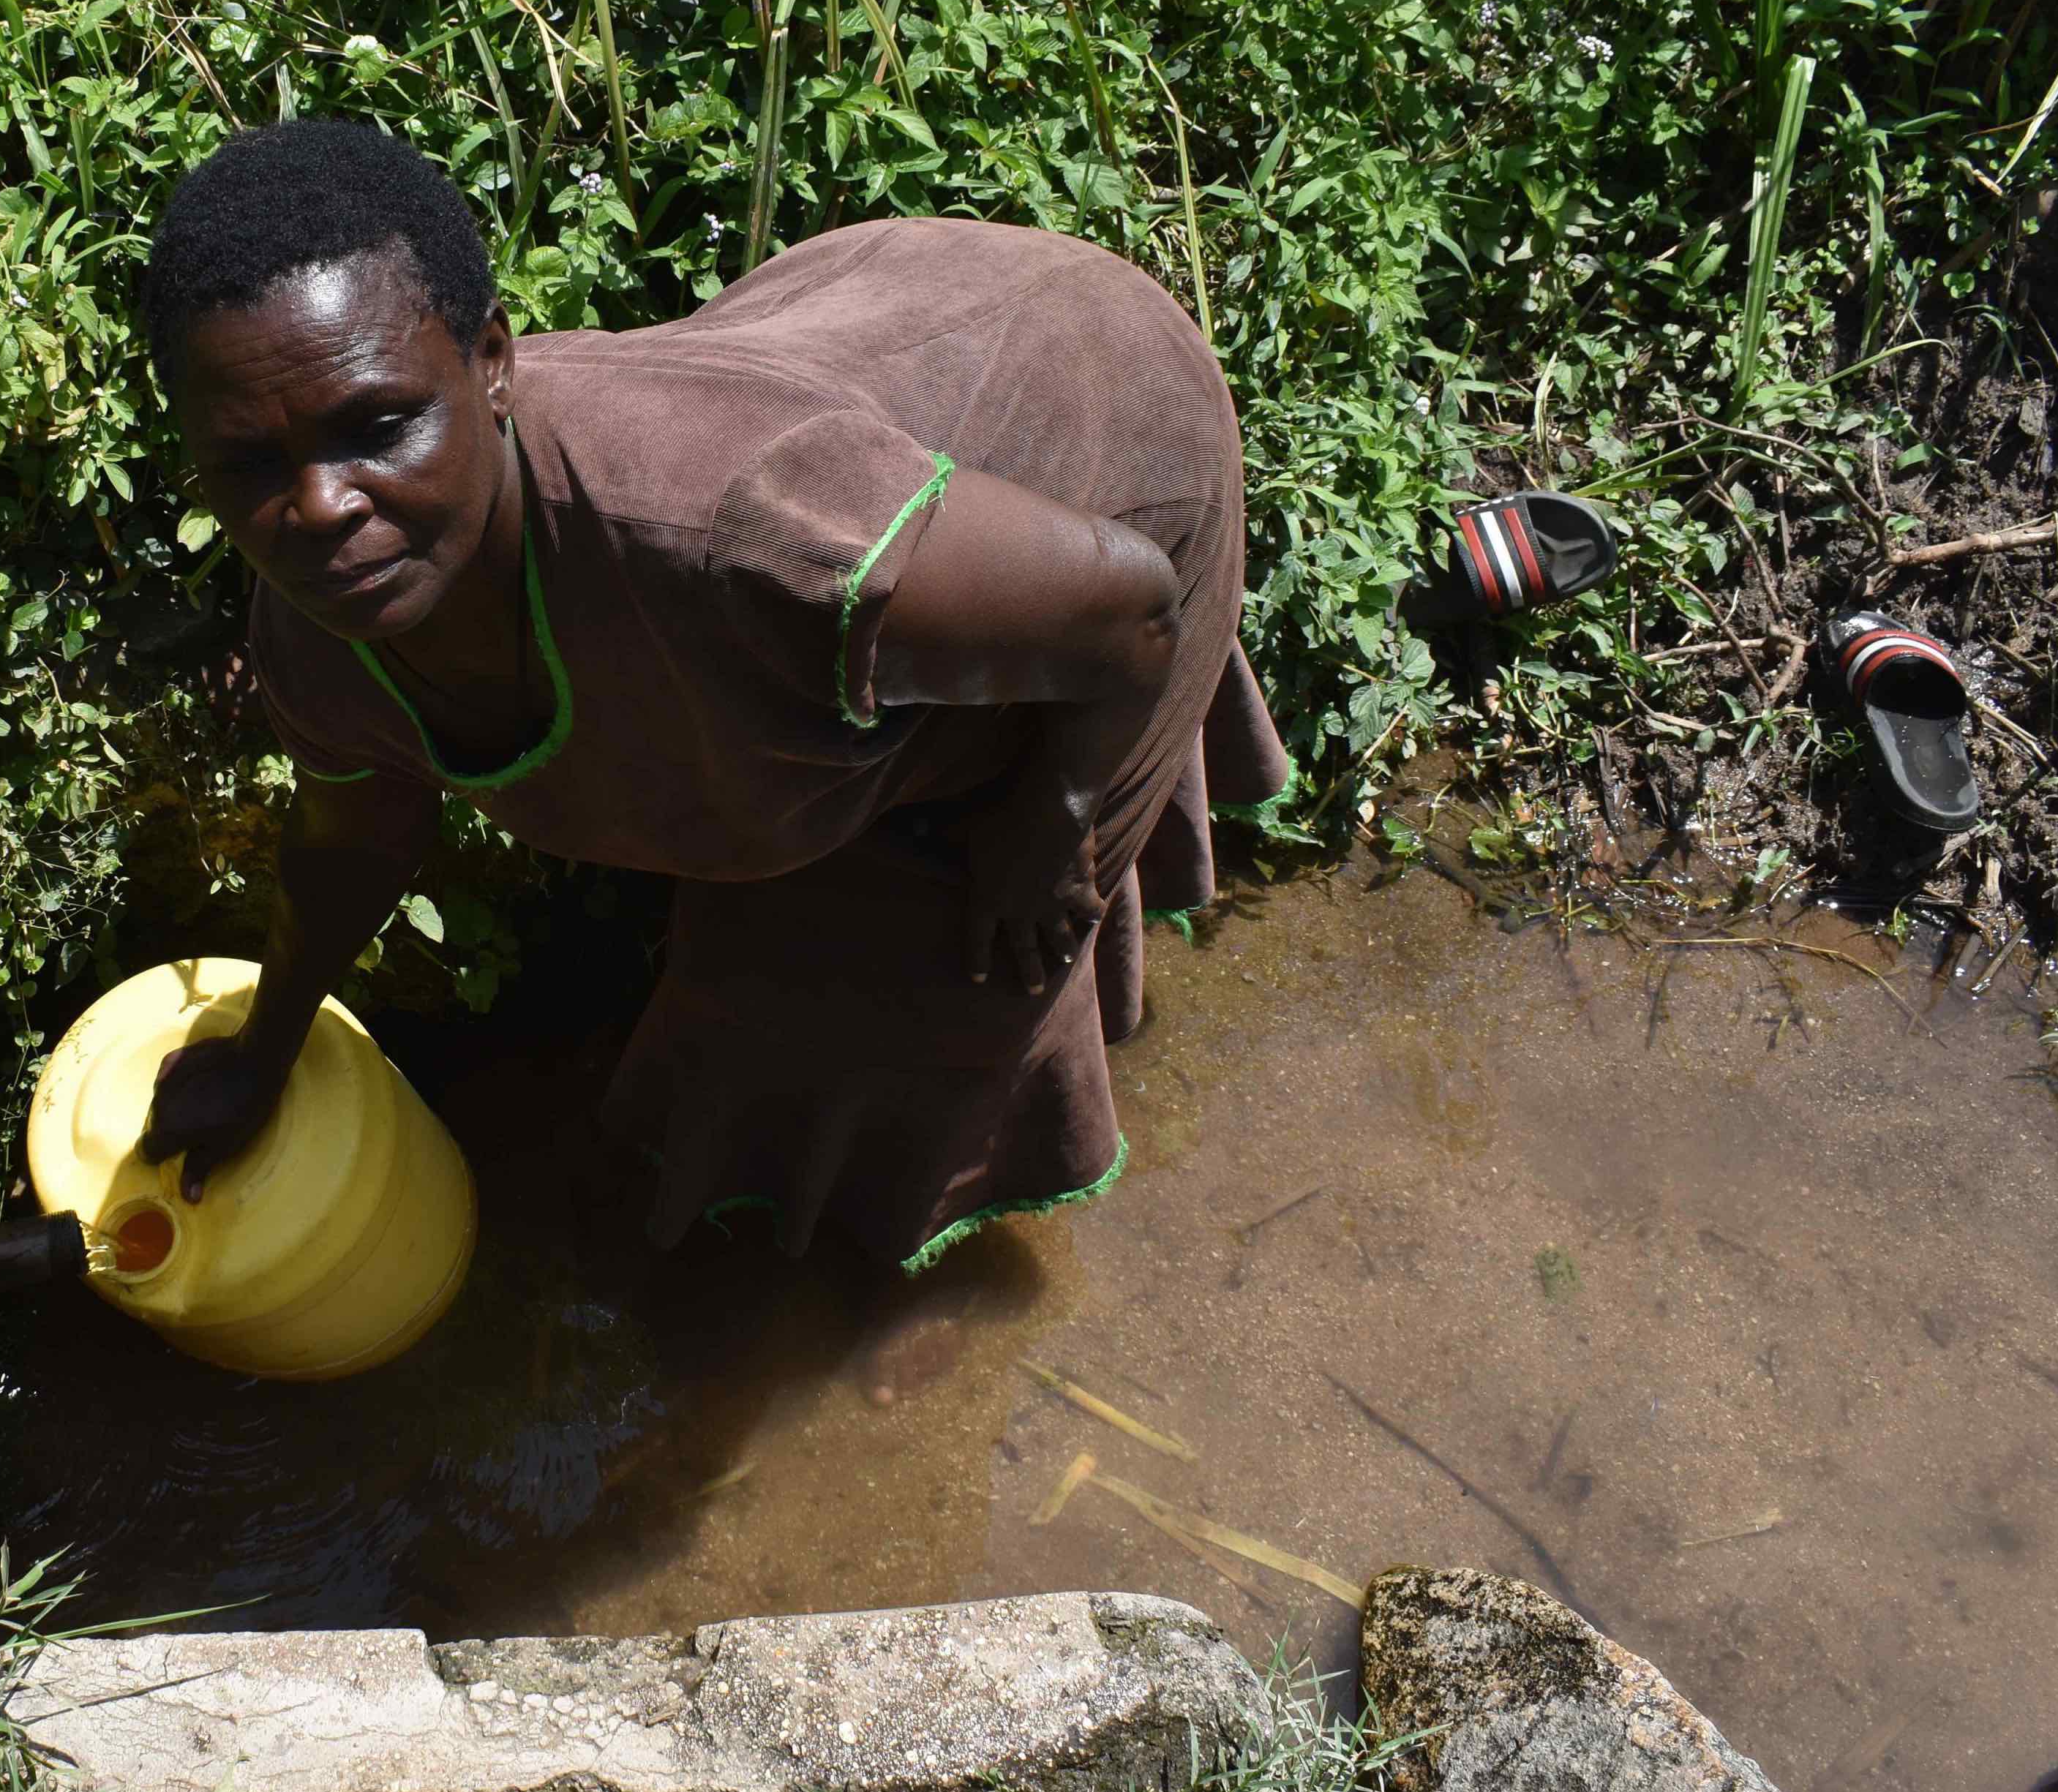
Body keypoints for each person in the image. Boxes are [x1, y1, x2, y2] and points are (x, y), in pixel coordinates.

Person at [131, 119, 1287, 1273]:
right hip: (860, 369)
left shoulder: (740, 541)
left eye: (377, 427)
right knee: (764, 945)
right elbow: (352, 844)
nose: (322, 507)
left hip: (1088, 427)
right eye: (251, 464)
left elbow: (1130, 614)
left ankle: (899, 1309)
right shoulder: (325, 623)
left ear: (492, 364)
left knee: (945, 997)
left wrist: (1052, 826)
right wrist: (262, 1051)